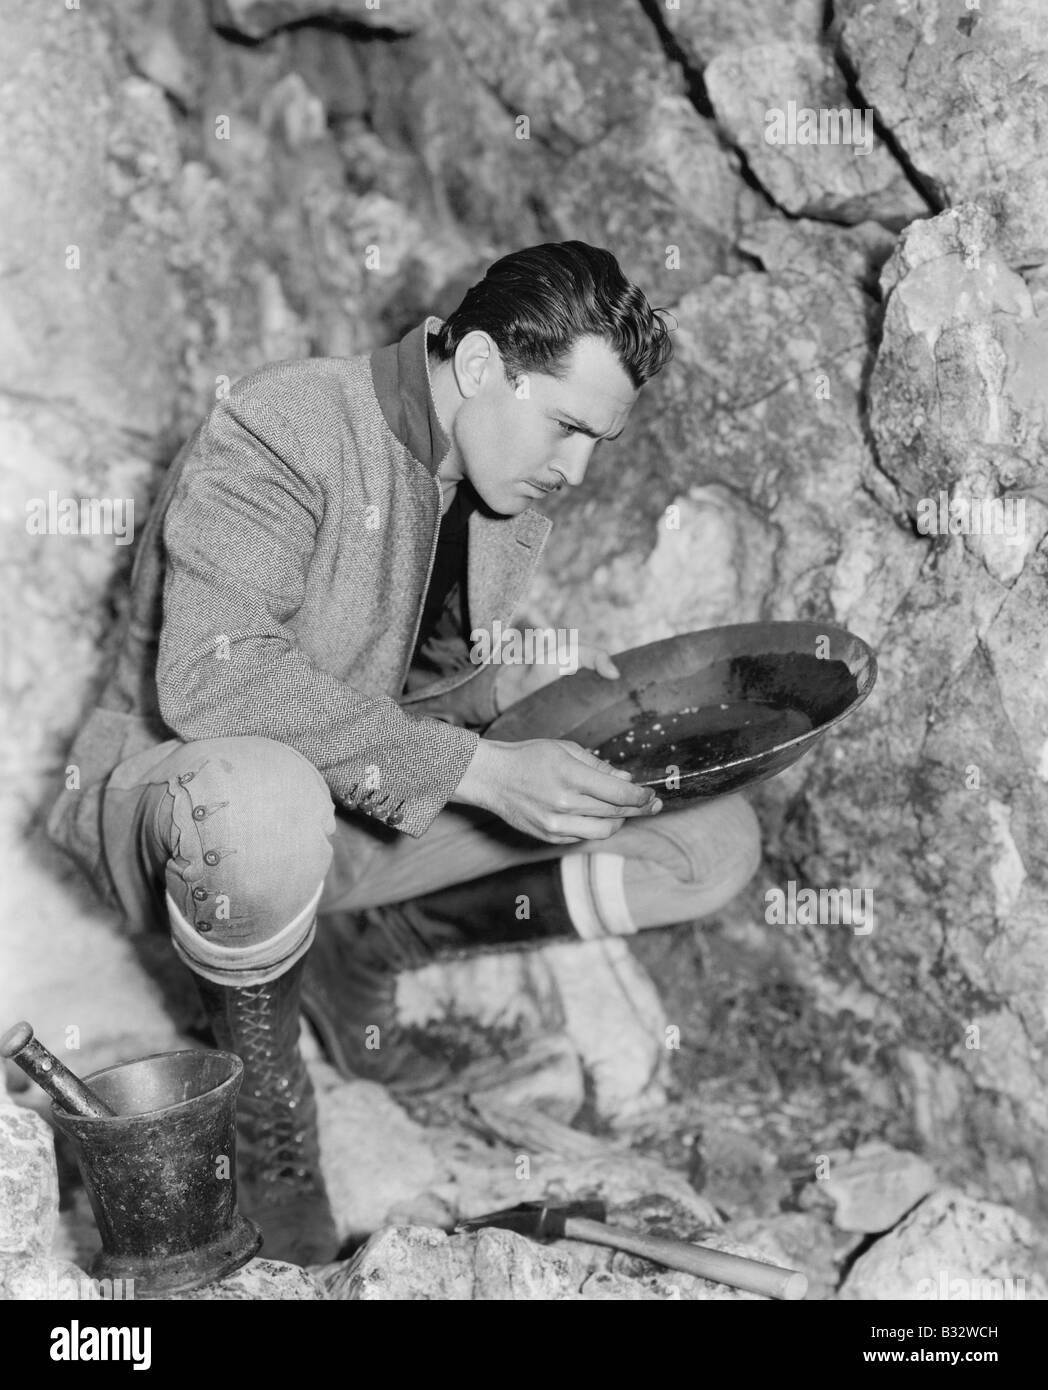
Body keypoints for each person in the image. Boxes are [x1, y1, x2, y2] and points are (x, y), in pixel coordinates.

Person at [47, 242, 762, 1265]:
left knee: (710, 841)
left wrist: (571, 737)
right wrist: (481, 775)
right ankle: (268, 1099)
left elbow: (448, 697)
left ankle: (357, 956)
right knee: (264, 798)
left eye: (597, 440)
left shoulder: (501, 487)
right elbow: (213, 679)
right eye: (566, 425)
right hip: (192, 798)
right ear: (479, 365)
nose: (577, 468)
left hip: (359, 808)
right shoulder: (283, 424)